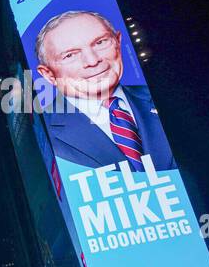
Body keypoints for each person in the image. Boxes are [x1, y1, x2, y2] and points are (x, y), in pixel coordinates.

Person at [34, 9, 176, 172]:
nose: (93, 60)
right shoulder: (41, 136)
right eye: (70, 55)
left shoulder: (167, 94)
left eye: (100, 43)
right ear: (48, 74)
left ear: (118, 41)